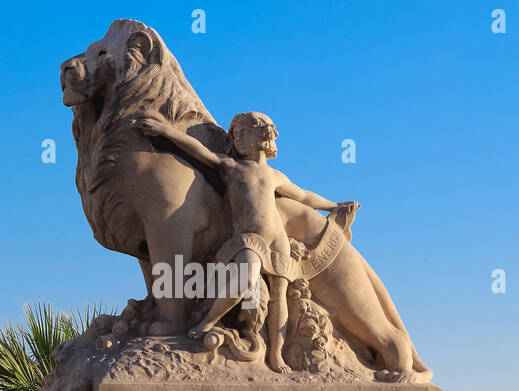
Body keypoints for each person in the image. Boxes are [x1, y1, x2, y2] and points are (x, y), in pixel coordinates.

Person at [135, 110, 357, 372]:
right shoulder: (230, 167)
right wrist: (165, 131)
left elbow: (305, 197)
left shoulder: (276, 176)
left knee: (279, 297)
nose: (236, 138)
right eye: (234, 134)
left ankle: (275, 354)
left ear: (262, 136)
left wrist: (334, 205)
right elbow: (197, 150)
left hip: (277, 240)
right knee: (244, 280)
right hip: (248, 239)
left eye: (243, 133)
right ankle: (207, 321)